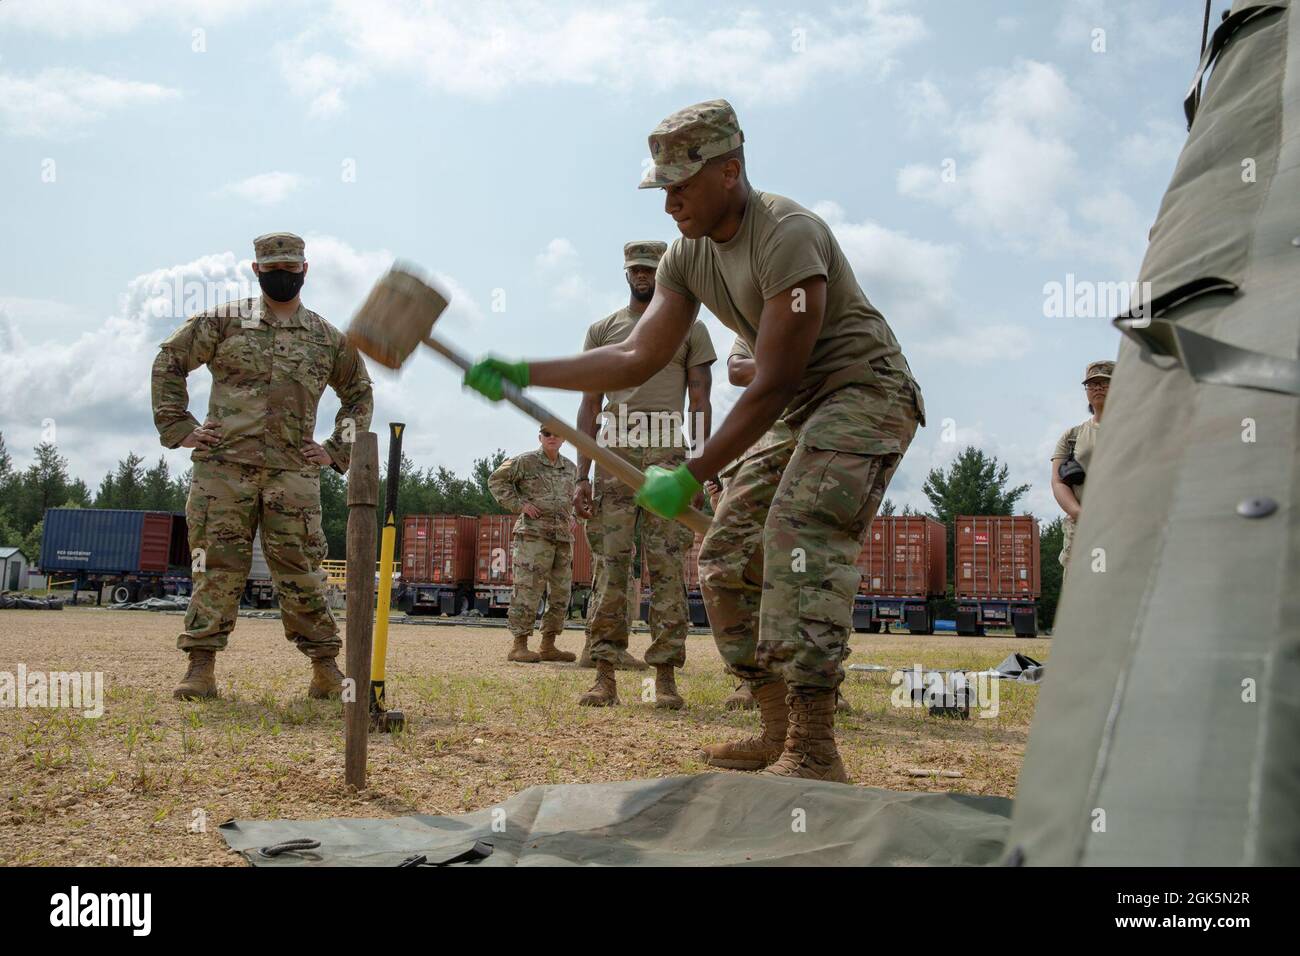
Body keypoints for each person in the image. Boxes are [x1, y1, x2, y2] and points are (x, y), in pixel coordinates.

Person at [464, 100, 923, 781]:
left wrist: (695, 468)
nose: (670, 202)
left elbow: (772, 380)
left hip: (865, 393)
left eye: (682, 185)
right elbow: (632, 359)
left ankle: (815, 747)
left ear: (730, 170)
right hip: (800, 409)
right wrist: (523, 370)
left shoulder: (787, 233)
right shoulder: (685, 257)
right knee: (723, 558)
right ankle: (773, 726)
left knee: (798, 540)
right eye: (662, 188)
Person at [152, 232, 373, 701]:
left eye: (291, 269)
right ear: (256, 271)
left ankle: (325, 669)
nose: (282, 277)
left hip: (293, 476)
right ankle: (201, 667)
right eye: (273, 270)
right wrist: (178, 425)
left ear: (305, 270)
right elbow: (170, 358)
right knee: (216, 567)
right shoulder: (223, 322)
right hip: (223, 470)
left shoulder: (327, 338)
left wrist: (336, 449)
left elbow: (359, 393)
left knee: (302, 571)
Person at [569, 240, 716, 709]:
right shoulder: (603, 329)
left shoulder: (691, 329)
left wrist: (698, 470)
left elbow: (700, 402)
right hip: (615, 455)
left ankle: (666, 678)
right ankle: (604, 674)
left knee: (668, 567)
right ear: (625, 271)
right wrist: (581, 475)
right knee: (610, 568)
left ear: (664, 273)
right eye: (635, 268)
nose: (642, 276)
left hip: (669, 457)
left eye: (650, 269)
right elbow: (590, 404)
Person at [488, 428, 579, 663]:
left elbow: (577, 498)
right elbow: (496, 480)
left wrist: (575, 517)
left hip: (562, 538)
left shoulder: (571, 468)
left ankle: (548, 645)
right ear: (540, 437)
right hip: (533, 536)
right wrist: (519, 505)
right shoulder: (525, 462)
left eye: (555, 433)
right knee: (528, 590)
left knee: (560, 594)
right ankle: (519, 645)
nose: (551, 436)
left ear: (563, 438)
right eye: (546, 433)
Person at [1051, 360, 1113, 568]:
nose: (1097, 388)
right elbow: (1058, 482)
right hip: (1083, 532)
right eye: (1092, 384)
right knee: (1081, 595)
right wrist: (1081, 514)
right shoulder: (1072, 437)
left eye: (1104, 383)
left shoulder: (1138, 432)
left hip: (1126, 528)